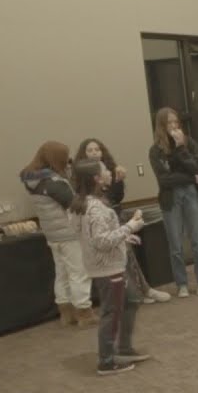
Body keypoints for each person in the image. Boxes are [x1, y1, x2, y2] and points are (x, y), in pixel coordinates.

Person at [72, 158, 151, 376]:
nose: (109, 171)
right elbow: (101, 241)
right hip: (109, 270)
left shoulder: (83, 203)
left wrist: (123, 238)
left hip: (105, 266)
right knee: (111, 313)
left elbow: (93, 239)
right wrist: (130, 228)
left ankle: (123, 348)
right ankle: (106, 361)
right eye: (105, 169)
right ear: (96, 178)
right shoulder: (95, 208)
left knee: (132, 299)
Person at [77, 138, 171, 305]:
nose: (94, 153)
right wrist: (129, 227)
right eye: (89, 150)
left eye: (97, 149)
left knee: (128, 257)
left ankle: (143, 290)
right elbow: (101, 240)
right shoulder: (93, 204)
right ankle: (136, 294)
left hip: (113, 224)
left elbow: (116, 197)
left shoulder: (108, 181)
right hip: (103, 257)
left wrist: (118, 181)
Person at [21, 141, 97, 327]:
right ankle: (84, 313)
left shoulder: (34, 180)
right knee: (79, 273)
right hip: (69, 234)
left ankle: (66, 313)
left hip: (53, 236)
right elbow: (75, 206)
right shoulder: (54, 183)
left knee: (61, 273)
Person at [149, 107, 198, 298]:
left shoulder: (189, 143)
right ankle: (182, 284)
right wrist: (190, 177)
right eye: (169, 123)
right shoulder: (156, 150)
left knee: (197, 242)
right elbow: (164, 179)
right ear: (161, 126)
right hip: (170, 197)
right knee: (175, 245)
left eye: (176, 122)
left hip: (191, 195)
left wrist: (181, 147)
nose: (174, 126)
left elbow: (197, 167)